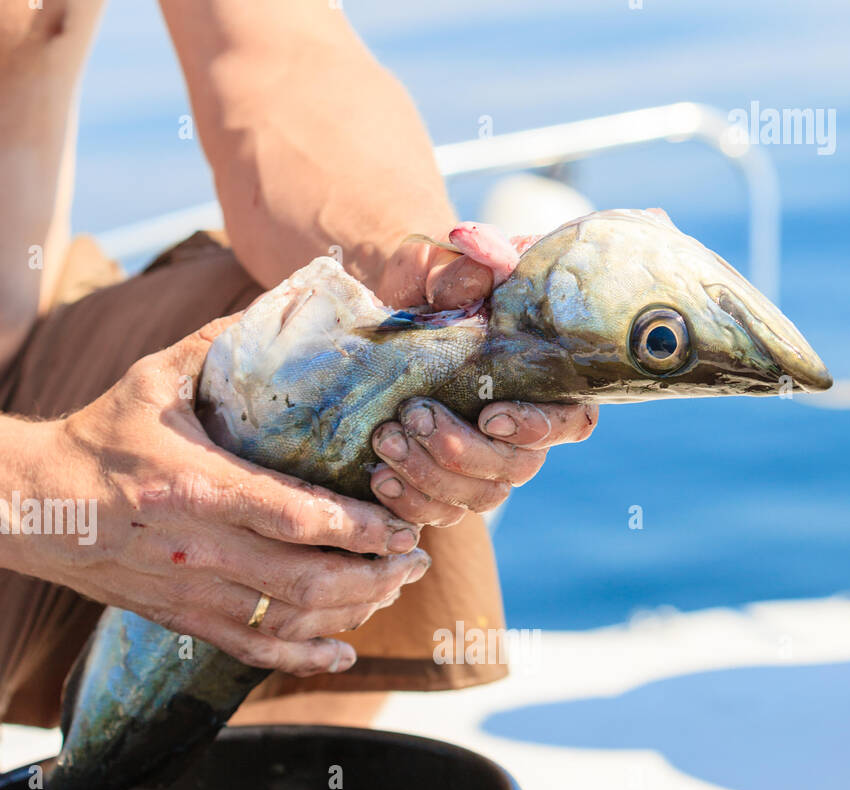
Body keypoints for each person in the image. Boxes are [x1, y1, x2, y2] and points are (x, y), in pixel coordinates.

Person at [0, 0, 597, 730]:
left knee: (316, 354)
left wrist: (413, 272)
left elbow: (278, 59)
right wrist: (42, 494)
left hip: (29, 353)